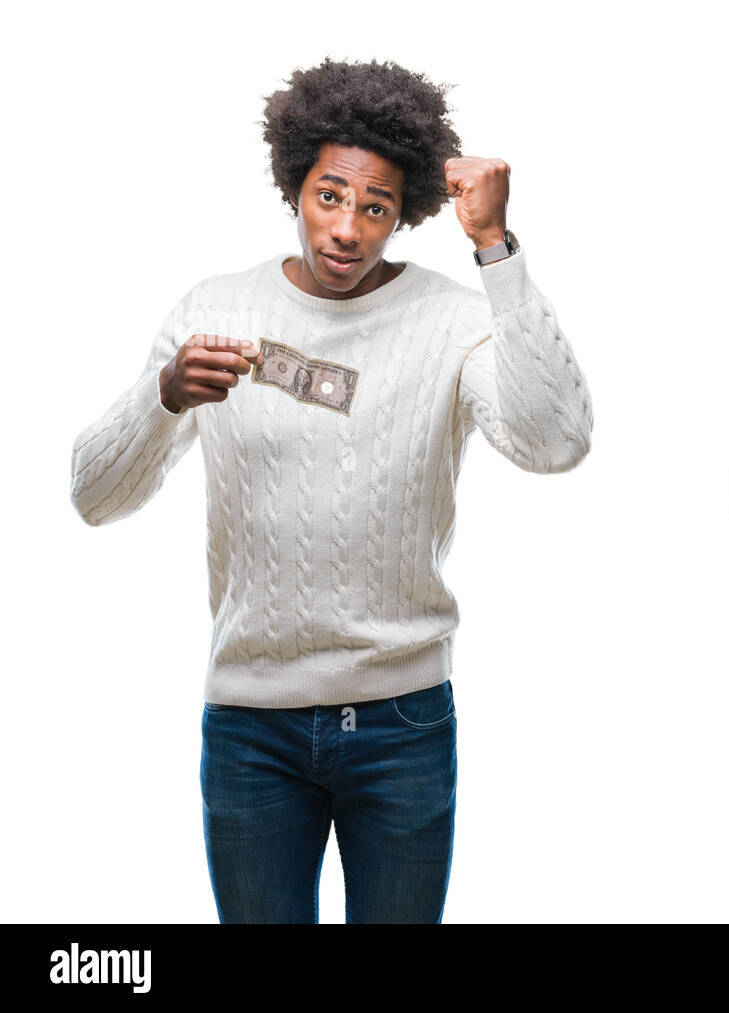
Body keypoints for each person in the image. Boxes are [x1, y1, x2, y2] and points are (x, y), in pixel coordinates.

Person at [69, 57, 593, 923]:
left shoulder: (451, 320)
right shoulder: (218, 310)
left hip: (404, 723)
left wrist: (496, 251)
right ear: (295, 185)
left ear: (405, 212)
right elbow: (93, 496)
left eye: (375, 207)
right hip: (251, 727)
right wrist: (162, 396)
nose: (347, 227)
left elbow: (557, 440)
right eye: (329, 195)